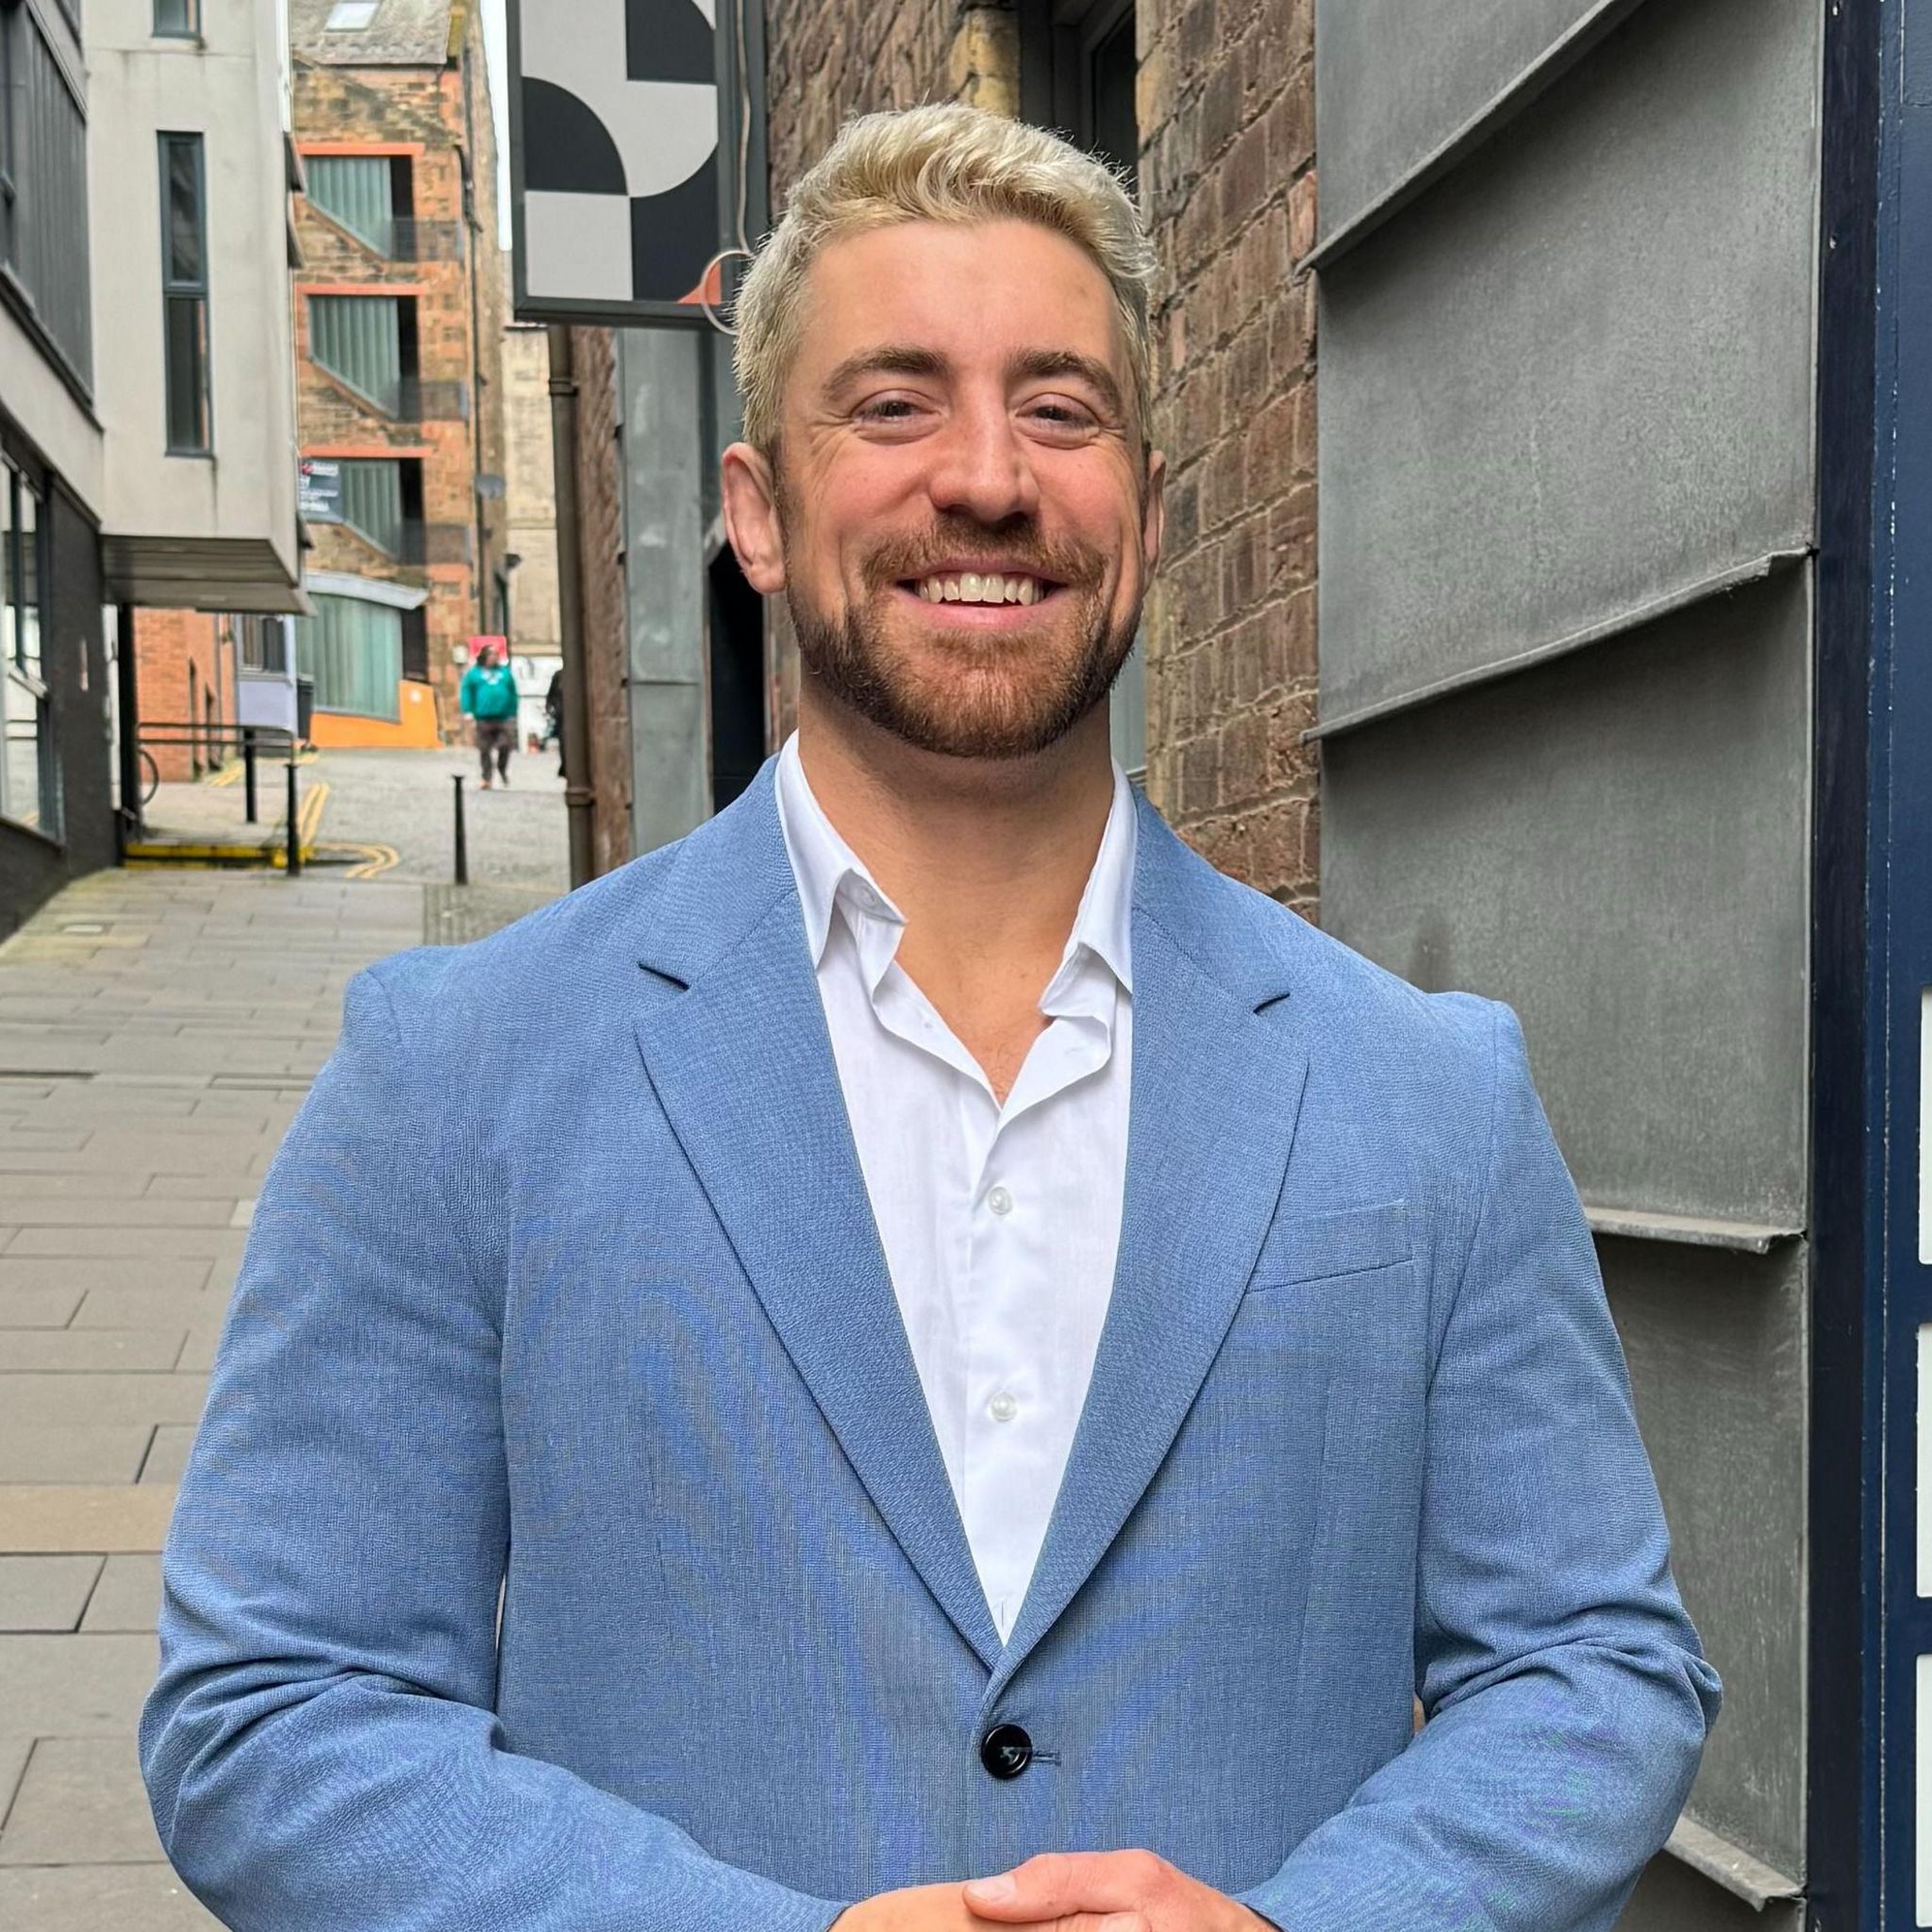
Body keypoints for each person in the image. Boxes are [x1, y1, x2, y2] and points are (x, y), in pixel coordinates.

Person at [141, 104, 1718, 1932]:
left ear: (1141, 493)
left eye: (1060, 408)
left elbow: (1594, 1667)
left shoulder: (1428, 1096)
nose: (987, 475)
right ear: (753, 506)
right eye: (892, 405)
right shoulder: (455, 1076)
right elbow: (274, 1712)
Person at [460, 641, 519, 788]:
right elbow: (467, 691)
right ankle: (487, 777)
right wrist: (468, 711)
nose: (495, 657)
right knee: (484, 749)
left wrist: (513, 710)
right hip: (483, 717)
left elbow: (512, 691)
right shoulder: (474, 674)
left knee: (505, 745)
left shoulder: (505, 673)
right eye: (492, 654)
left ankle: (502, 768)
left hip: (504, 716)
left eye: (496, 654)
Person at [543, 663, 565, 776]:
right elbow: (551, 693)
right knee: (564, 740)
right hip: (562, 715)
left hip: (566, 713)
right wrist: (549, 707)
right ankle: (565, 765)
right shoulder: (559, 675)